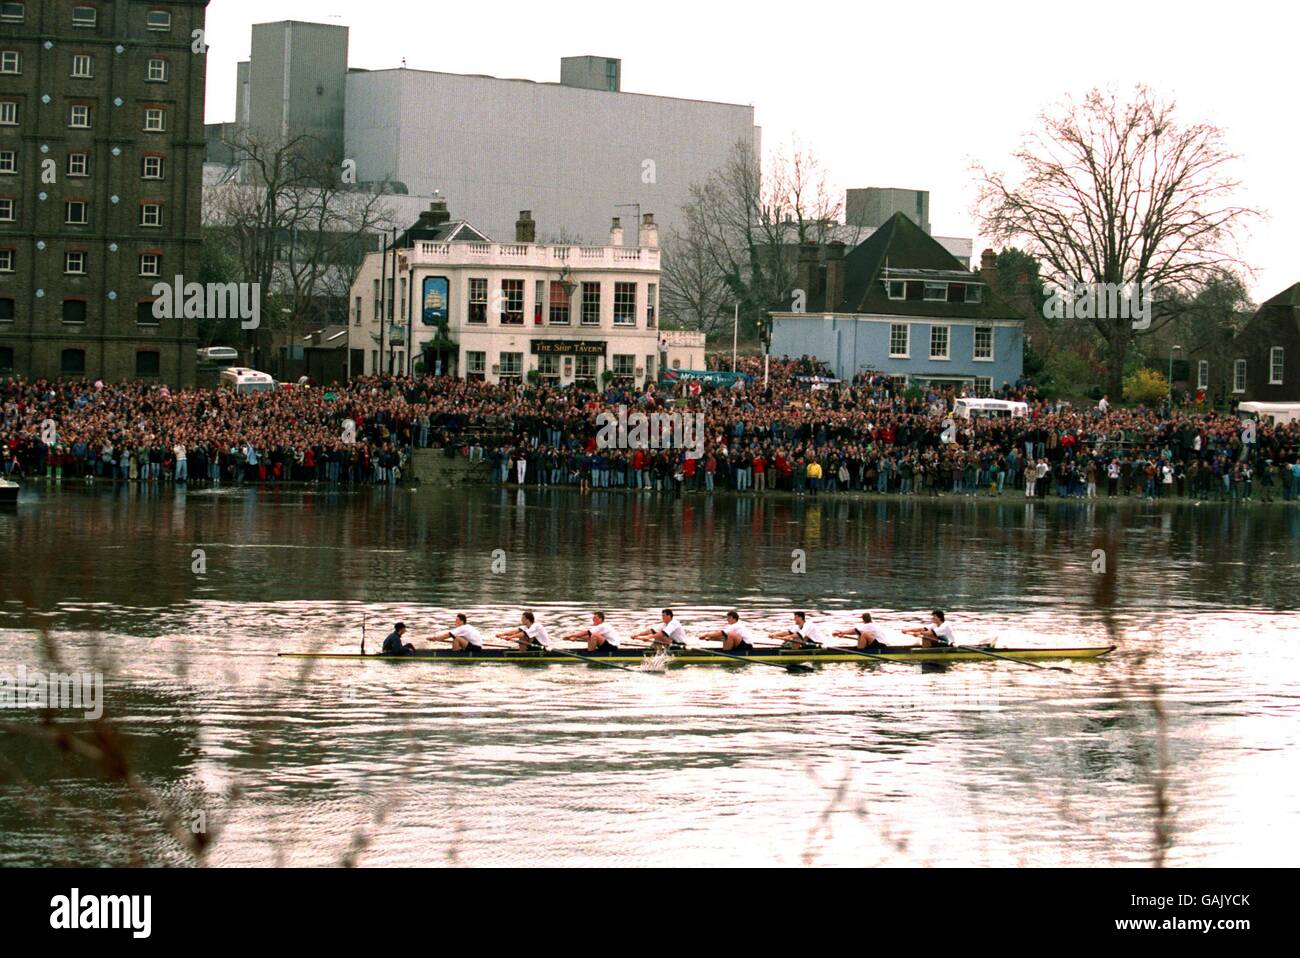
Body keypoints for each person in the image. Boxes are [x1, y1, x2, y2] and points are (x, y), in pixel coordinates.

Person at [833, 612, 910, 650]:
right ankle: (859, 648)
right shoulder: (869, 625)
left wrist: (841, 632)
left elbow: (854, 631)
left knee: (863, 634)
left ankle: (860, 651)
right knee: (861, 634)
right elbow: (857, 632)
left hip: (881, 646)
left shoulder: (868, 626)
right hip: (877, 644)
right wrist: (843, 635)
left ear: (863, 620)